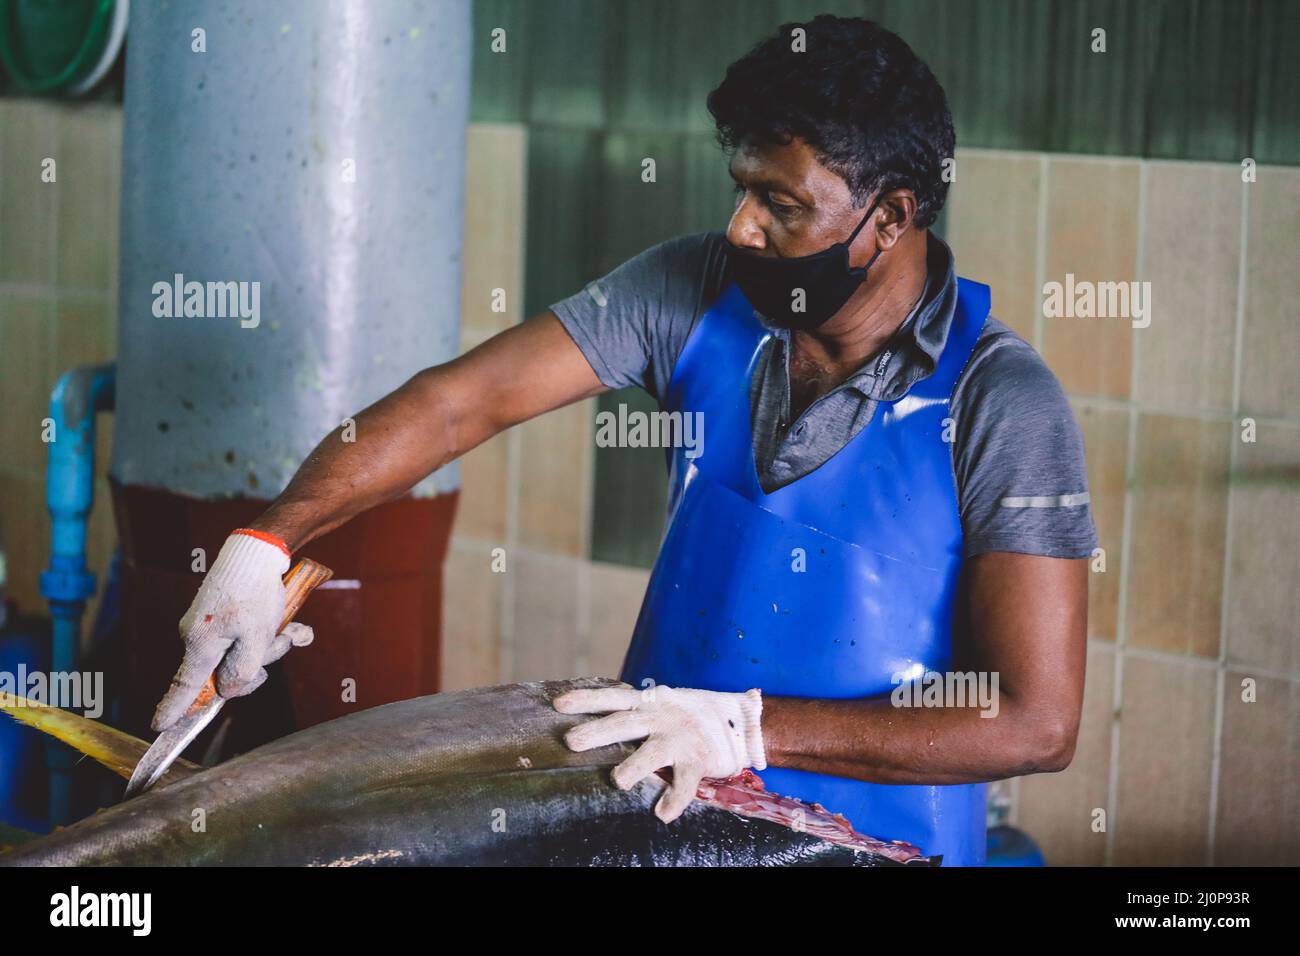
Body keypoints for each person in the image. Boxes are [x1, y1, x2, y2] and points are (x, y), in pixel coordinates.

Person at [154, 16, 1095, 866]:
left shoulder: (1001, 403)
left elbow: (1035, 721)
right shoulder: (693, 290)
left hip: (882, 850)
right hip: (664, 825)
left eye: (783, 204)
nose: (742, 228)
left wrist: (747, 731)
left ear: (889, 218)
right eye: (741, 191)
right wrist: (267, 543)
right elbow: (457, 405)